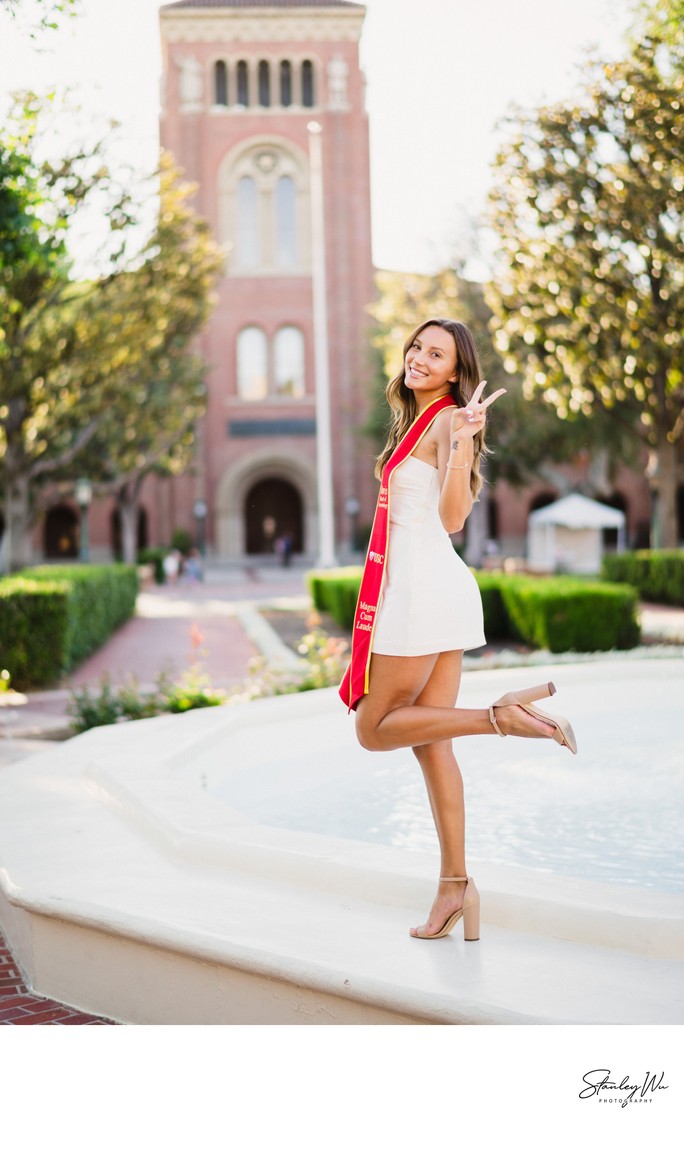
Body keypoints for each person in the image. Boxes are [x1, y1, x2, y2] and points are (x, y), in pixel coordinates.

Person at [339, 318, 576, 942]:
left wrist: (466, 440)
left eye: (435, 353)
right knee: (429, 743)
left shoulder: (447, 419)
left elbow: (449, 517)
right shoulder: (417, 420)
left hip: (421, 591)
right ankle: (455, 887)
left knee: (372, 729)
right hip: (430, 588)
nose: (419, 357)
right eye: (417, 346)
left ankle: (499, 718)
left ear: (454, 371)